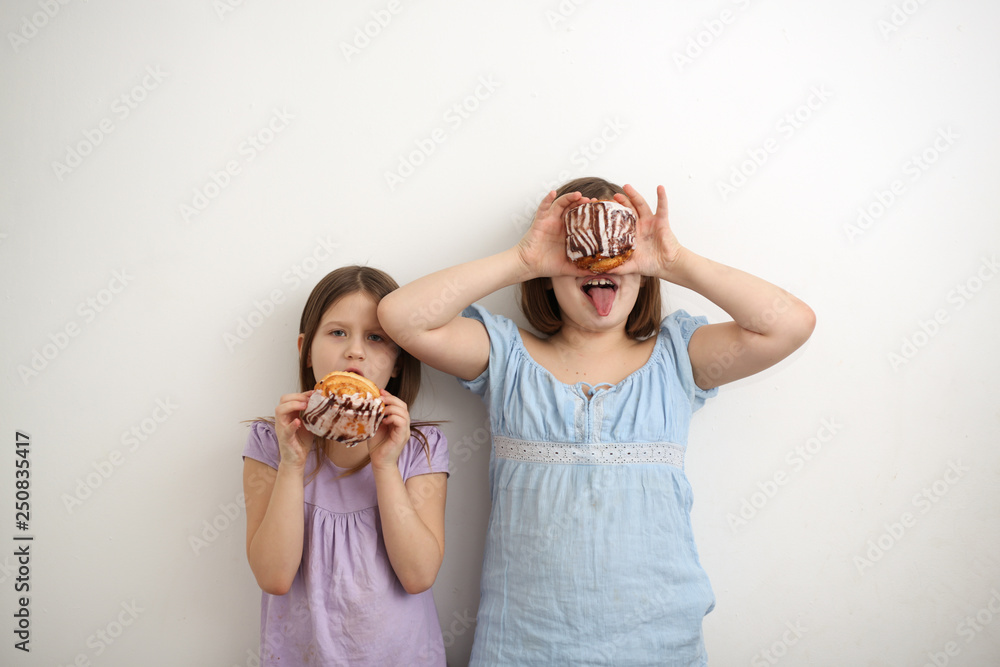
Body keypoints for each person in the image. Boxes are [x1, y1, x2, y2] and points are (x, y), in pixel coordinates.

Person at [377, 177, 816, 666]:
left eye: (622, 249)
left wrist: (674, 262)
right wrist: (523, 260)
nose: (599, 260)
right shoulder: (506, 356)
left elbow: (789, 323)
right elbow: (401, 317)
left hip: (659, 645)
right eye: (576, 249)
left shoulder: (677, 358)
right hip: (522, 647)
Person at [242, 265, 450, 666]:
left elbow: (418, 575)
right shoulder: (270, 443)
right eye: (338, 332)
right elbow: (274, 577)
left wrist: (385, 465)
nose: (355, 350)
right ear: (305, 348)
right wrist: (292, 462)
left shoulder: (420, 447)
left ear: (399, 363)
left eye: (376, 338)